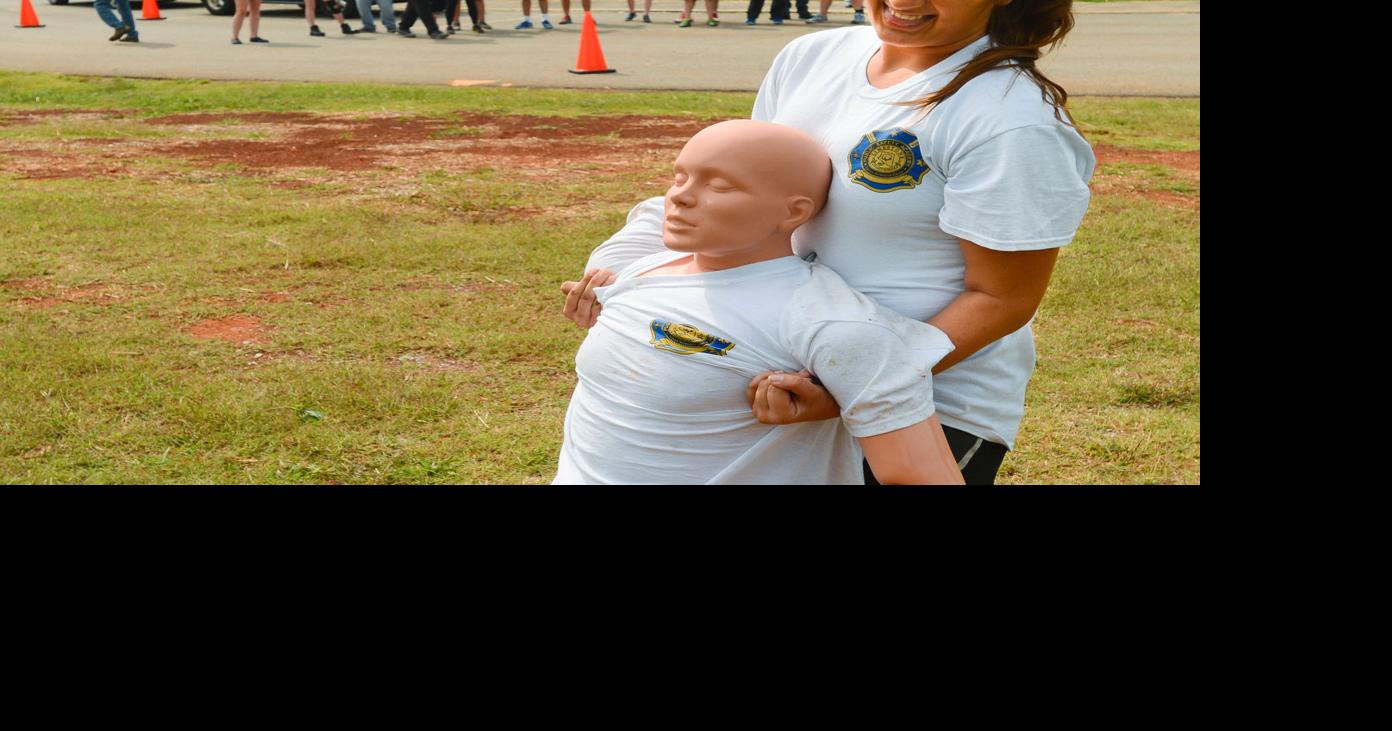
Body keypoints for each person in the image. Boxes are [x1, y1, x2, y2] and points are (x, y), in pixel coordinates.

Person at [564, 1, 1094, 485]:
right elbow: (750, 186)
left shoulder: (1010, 120)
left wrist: (852, 385)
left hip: (924, 402)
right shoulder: (814, 55)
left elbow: (1002, 298)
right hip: (775, 385)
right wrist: (621, 265)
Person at [557, 120, 961, 485]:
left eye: (718, 186)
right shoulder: (641, 273)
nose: (679, 198)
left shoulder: (828, 322)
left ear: (793, 212)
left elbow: (920, 473)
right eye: (679, 177)